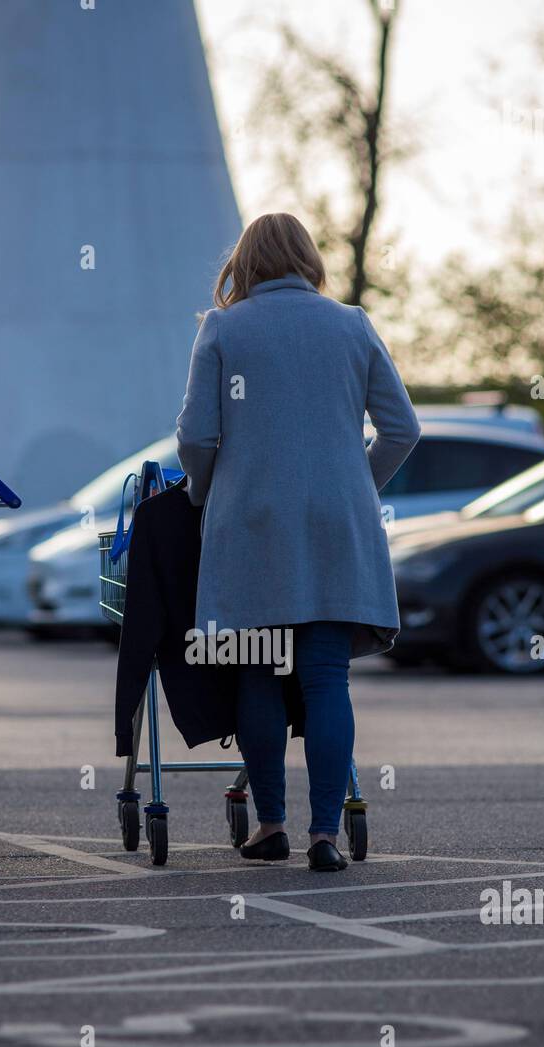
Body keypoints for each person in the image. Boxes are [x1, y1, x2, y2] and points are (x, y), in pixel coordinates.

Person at [176, 213, 421, 871]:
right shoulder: (352, 325)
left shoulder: (224, 328)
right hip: (338, 526)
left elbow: (196, 438)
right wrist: (354, 485)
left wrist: (204, 494)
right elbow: (402, 429)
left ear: (246, 264)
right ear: (308, 258)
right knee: (325, 677)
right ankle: (325, 837)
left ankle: (271, 825)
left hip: (252, 527)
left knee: (257, 670)